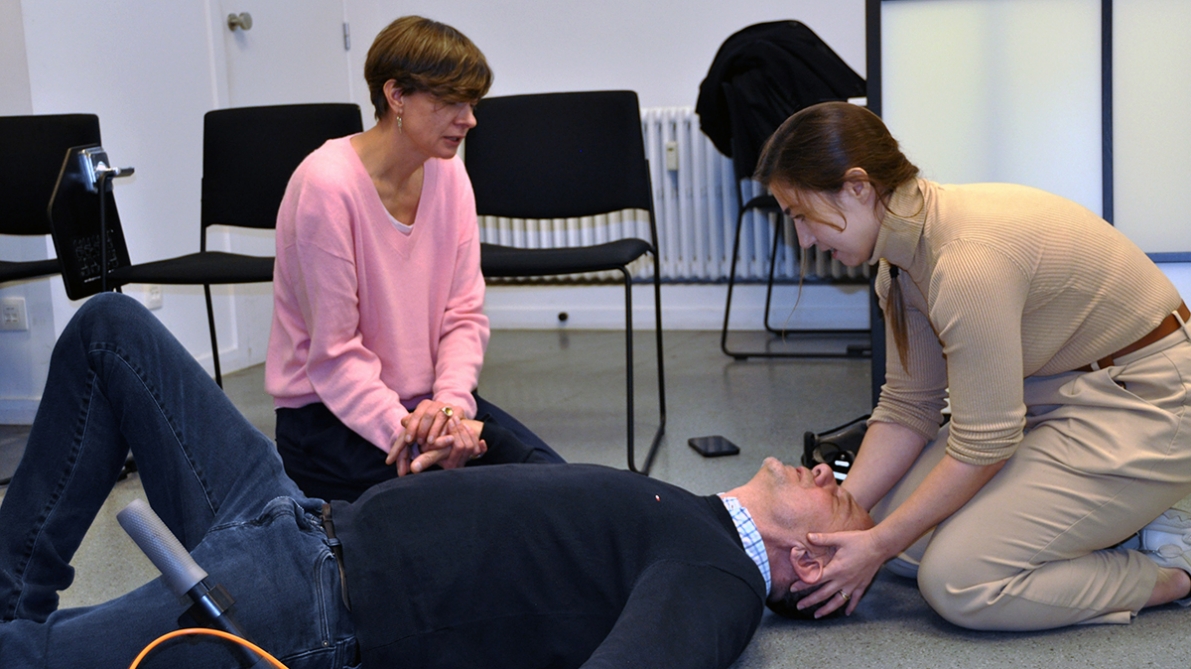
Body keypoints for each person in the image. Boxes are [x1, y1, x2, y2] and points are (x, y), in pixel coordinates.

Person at [0, 293, 872, 668]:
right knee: (112, 331)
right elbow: (538, 475)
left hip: (302, 602)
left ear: (810, 558)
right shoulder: (678, 513)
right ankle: (11, 593)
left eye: (835, 491)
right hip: (289, 514)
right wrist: (460, 430)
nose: (823, 469)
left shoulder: (714, 579)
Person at [752, 100, 1191, 630]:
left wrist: (872, 546)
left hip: (1150, 404)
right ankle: (1124, 516)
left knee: (957, 582)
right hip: (1054, 396)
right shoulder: (901, 261)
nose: (802, 238)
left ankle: (1170, 570)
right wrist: (843, 512)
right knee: (890, 528)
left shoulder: (965, 263)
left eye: (801, 215)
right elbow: (907, 406)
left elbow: (986, 442)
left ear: (858, 187)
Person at [266, 16, 561, 503]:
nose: (469, 119)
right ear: (396, 96)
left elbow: (463, 316)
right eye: (451, 102)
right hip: (330, 419)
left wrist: (450, 410)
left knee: (559, 486)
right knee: (485, 513)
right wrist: (420, 431)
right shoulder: (326, 186)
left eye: (472, 103)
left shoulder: (449, 175)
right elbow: (335, 356)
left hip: (430, 410)